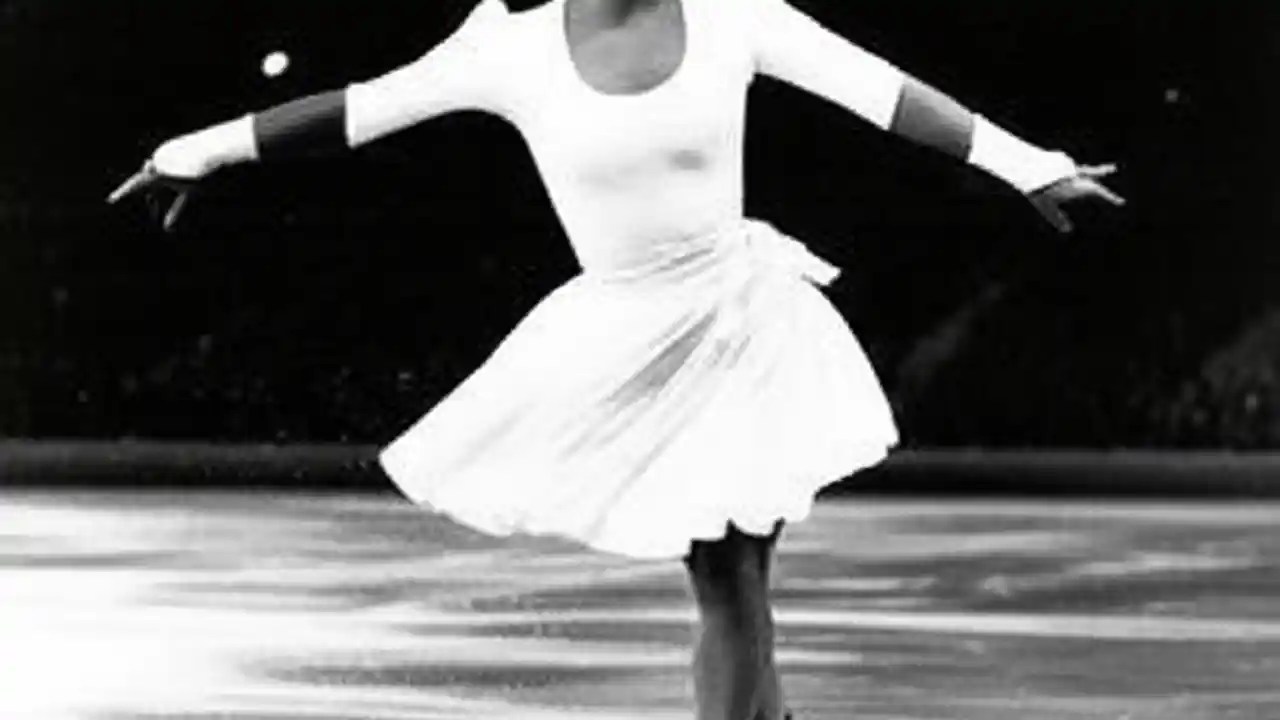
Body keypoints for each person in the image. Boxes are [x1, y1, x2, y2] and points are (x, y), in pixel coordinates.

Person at [109, 1, 1124, 718]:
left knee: (730, 575)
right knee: (734, 584)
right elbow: (356, 110)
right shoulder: (509, 49)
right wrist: (192, 150)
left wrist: (1027, 165)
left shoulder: (734, 16)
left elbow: (883, 92)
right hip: (629, 340)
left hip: (743, 321)